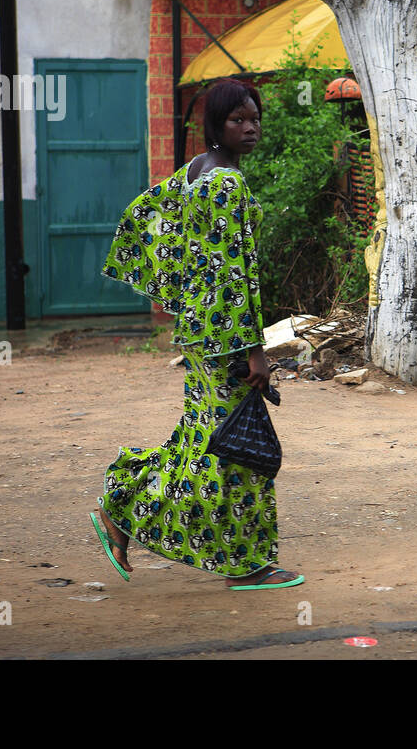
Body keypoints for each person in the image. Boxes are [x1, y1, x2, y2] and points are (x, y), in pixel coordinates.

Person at [90, 78, 304, 590]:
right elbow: (235, 272)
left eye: (254, 119)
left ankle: (120, 508)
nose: (249, 128)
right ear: (216, 125)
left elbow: (143, 217)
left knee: (209, 440)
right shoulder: (226, 183)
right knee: (238, 449)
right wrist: (255, 352)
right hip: (228, 340)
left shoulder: (193, 172)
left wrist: (176, 291)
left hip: (200, 333)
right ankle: (248, 565)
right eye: (237, 120)